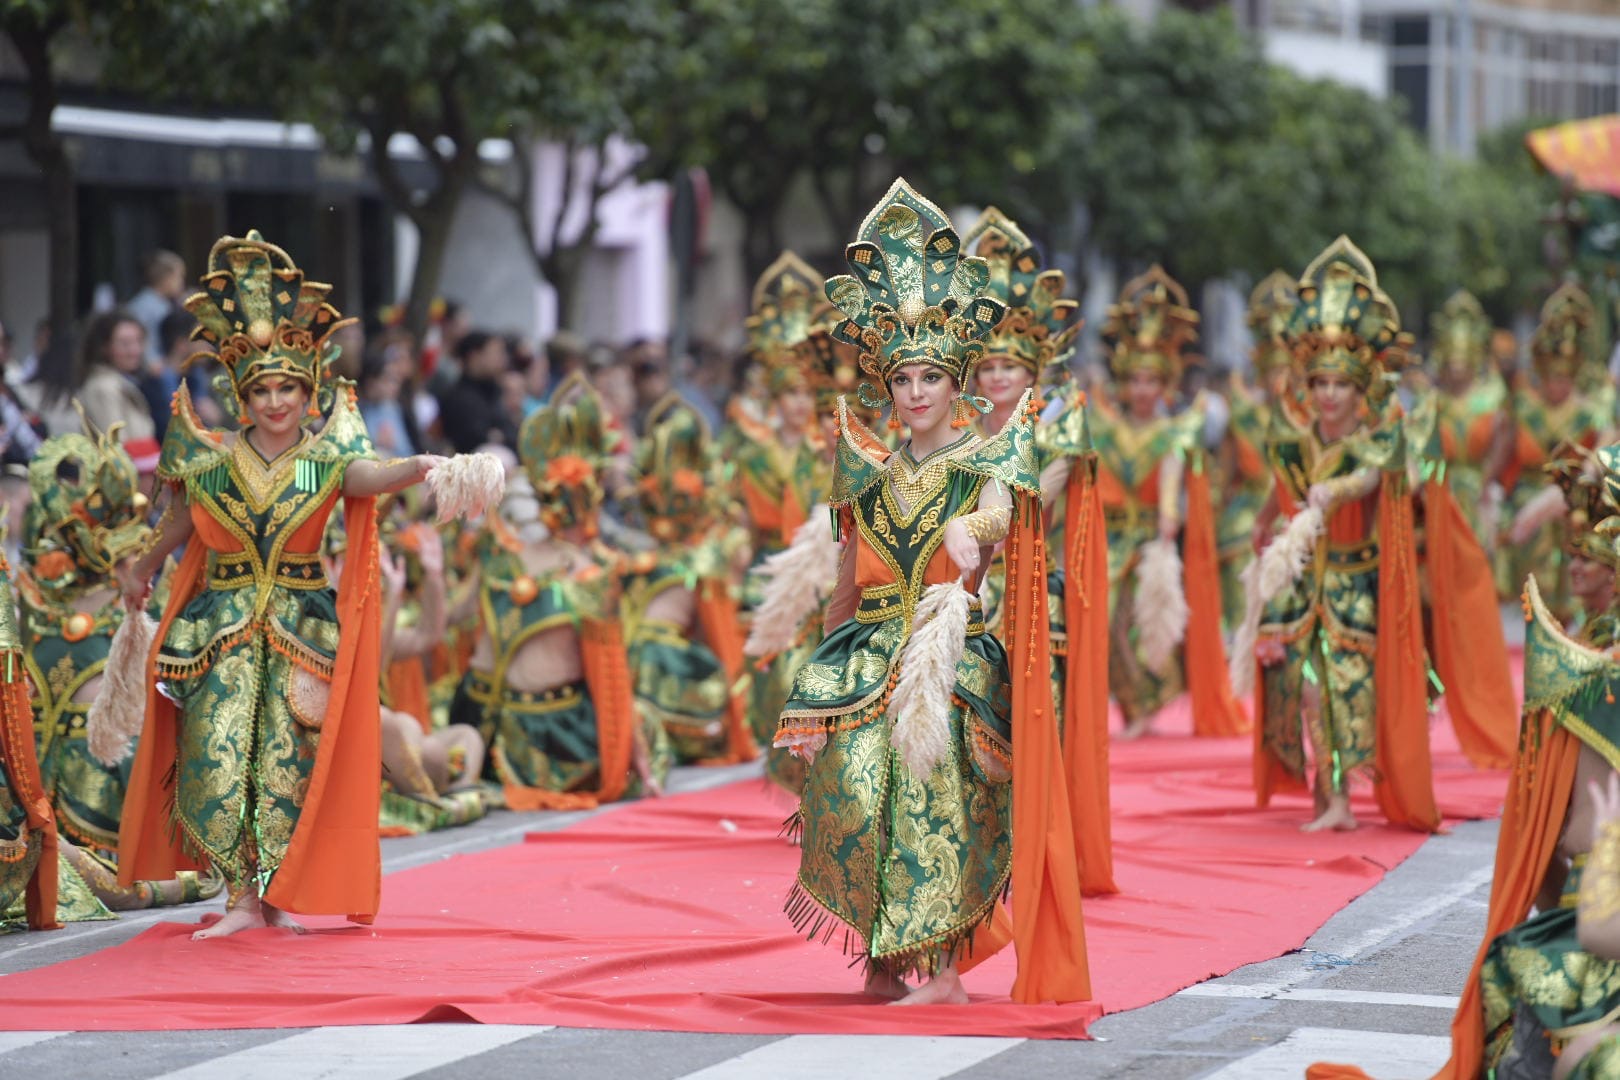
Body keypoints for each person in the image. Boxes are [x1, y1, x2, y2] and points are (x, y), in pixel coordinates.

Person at [774, 178, 1089, 1007]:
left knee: (933, 787)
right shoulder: (866, 468)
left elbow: (997, 518)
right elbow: (849, 580)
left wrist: (972, 536)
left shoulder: (985, 461)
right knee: (853, 783)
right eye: (903, 378)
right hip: (869, 652)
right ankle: (880, 958)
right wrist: (815, 672)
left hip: (949, 649)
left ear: (959, 387)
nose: (915, 393)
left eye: (931, 378)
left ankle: (944, 969)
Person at [114, 230, 463, 939]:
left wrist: (420, 464)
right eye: (263, 389)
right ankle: (241, 899)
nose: (276, 401)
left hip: (303, 632)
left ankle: (270, 899)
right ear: (242, 395)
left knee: (290, 760)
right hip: (217, 634)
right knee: (217, 751)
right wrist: (138, 573)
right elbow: (176, 527)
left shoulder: (316, 464)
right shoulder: (212, 465)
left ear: (309, 393)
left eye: (288, 389)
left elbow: (362, 476)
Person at [1249, 237, 1438, 834]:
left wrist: (1335, 493)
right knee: (1303, 685)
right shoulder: (1294, 438)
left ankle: (1345, 799)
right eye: (1321, 383)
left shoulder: (1380, 441)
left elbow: (1369, 479)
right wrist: (1263, 523)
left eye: (1341, 385)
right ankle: (1326, 793)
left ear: (1362, 391)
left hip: (1357, 582)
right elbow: (1283, 485)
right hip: (1303, 579)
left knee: (1347, 685)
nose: (1329, 394)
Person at [958, 206, 1115, 895]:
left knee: (1028, 729)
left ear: (1035, 367)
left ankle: (1035, 850)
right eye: (986, 363)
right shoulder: (954, 423)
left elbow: (1028, 502)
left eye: (1010, 364)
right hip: (958, 592)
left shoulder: (1059, 420)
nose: (996, 376)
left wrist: (963, 532)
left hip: (1029, 595)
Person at [449, 373, 666, 807]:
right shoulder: (502, 555)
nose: (566, 506)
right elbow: (448, 623)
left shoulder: (590, 570)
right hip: (502, 726)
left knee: (645, 720)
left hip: (554, 732)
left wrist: (631, 755)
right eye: (559, 495)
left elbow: (609, 677)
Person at [1092, 267, 1245, 740]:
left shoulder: (1172, 432)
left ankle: (1142, 705)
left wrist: (1168, 521)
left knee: (1141, 624)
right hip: (1106, 539)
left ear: (1164, 385)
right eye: (1134, 380)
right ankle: (1129, 703)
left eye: (1150, 381)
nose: (1141, 390)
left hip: (1147, 543)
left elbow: (1175, 477)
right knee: (1101, 621)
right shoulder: (1101, 426)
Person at [622, 393, 756, 767]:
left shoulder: (647, 554)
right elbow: (720, 633)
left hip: (630, 655)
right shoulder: (709, 554)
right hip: (659, 661)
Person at [1494, 282, 1609, 621]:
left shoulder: (1593, 412)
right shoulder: (1524, 408)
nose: (1556, 385)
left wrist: (1574, 486)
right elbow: (1502, 456)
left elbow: (1602, 453)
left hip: (1575, 507)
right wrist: (1494, 489)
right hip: (1528, 504)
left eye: (1563, 378)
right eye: (1550, 377)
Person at [74, 310, 160, 471]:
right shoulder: (102, 388)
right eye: (125, 344)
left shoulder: (120, 383)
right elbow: (116, 449)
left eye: (138, 342)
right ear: (104, 347)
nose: (135, 351)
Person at [437, 331, 517, 453]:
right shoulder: (458, 398)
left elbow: (511, 432)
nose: (503, 359)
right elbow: (474, 438)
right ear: (474, 356)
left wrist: (501, 436)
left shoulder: (494, 392)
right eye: (496, 353)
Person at [125, 250, 186, 363]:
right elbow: (143, 342)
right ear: (166, 278)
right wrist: (154, 362)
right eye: (179, 277)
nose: (182, 283)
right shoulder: (145, 306)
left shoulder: (165, 304)